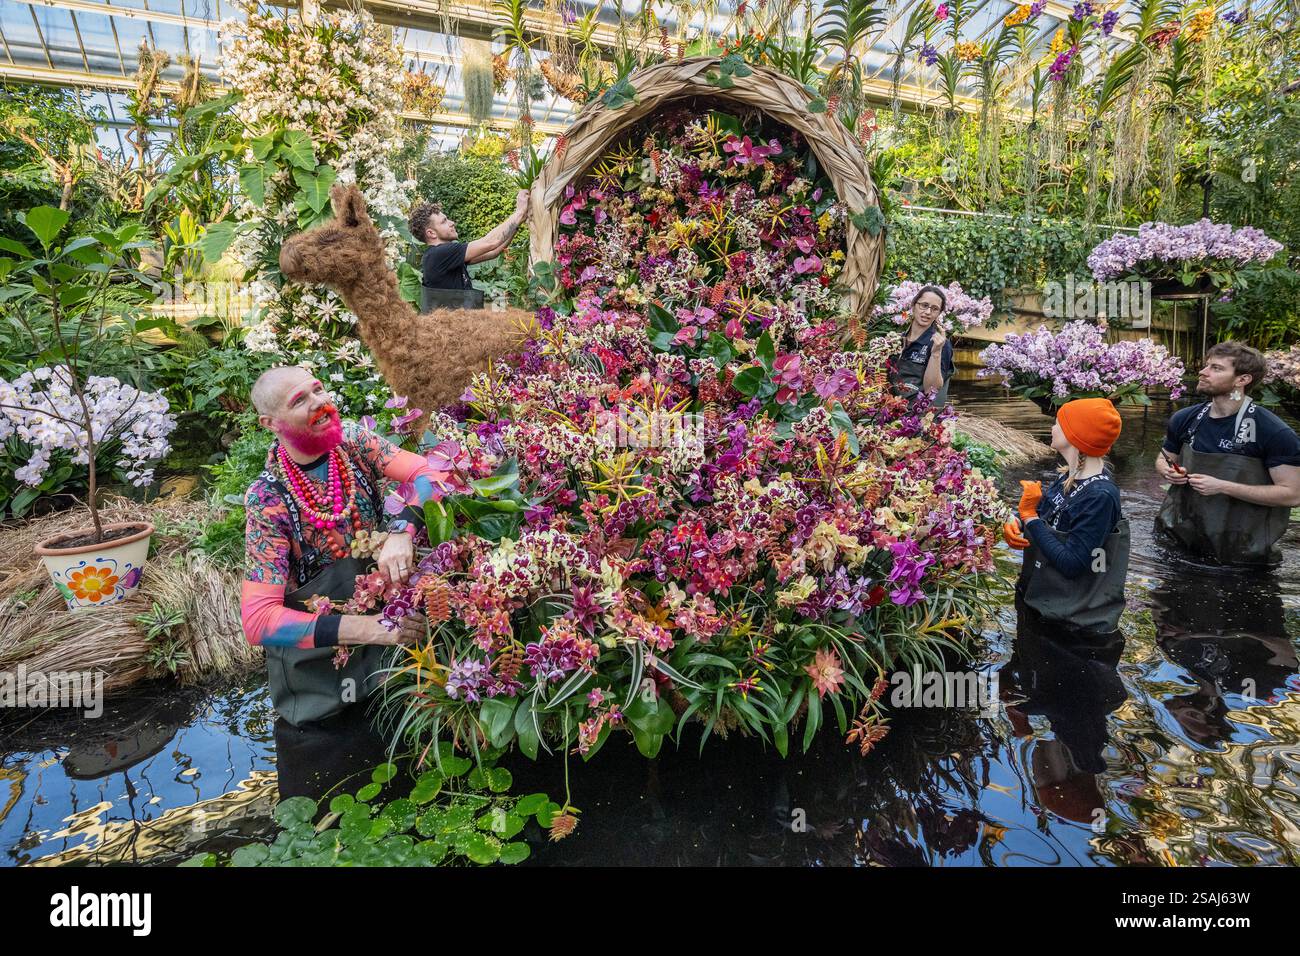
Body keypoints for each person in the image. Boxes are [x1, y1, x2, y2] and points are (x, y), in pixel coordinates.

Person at [240, 366, 445, 728]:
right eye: (300, 400)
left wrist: (402, 529)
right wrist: (374, 630)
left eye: (318, 389)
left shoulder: (353, 443)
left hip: (390, 660)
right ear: (270, 423)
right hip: (320, 682)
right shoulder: (268, 499)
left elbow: (434, 472)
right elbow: (259, 622)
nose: (320, 403)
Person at [1154, 341, 1300, 565]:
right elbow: (1163, 459)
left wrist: (1222, 486)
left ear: (1243, 380)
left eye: (1216, 368)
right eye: (1206, 366)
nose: (1203, 373)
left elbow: (1292, 495)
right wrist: (1169, 472)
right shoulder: (1185, 419)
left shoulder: (1272, 431)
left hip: (1244, 557)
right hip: (1180, 545)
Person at [1003, 398, 1130, 633]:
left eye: (1059, 423)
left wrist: (1030, 517)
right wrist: (1017, 520)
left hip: (1075, 629)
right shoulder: (1068, 476)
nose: (1052, 428)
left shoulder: (1100, 496)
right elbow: (1046, 515)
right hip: (1043, 602)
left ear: (1076, 436)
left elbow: (1072, 564)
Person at [409, 188, 530, 311]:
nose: (452, 223)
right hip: (449, 327)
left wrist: (517, 223)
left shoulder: (443, 256)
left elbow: (494, 251)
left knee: (498, 309)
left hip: (458, 323)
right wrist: (519, 212)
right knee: (500, 310)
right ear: (431, 233)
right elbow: (491, 242)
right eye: (444, 222)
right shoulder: (439, 254)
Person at [889, 284, 955, 409]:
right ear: (914, 305)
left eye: (935, 309)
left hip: (916, 414)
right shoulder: (896, 340)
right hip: (889, 408)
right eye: (924, 305)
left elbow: (932, 389)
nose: (928, 312)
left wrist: (936, 353)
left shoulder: (940, 344)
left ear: (938, 314)